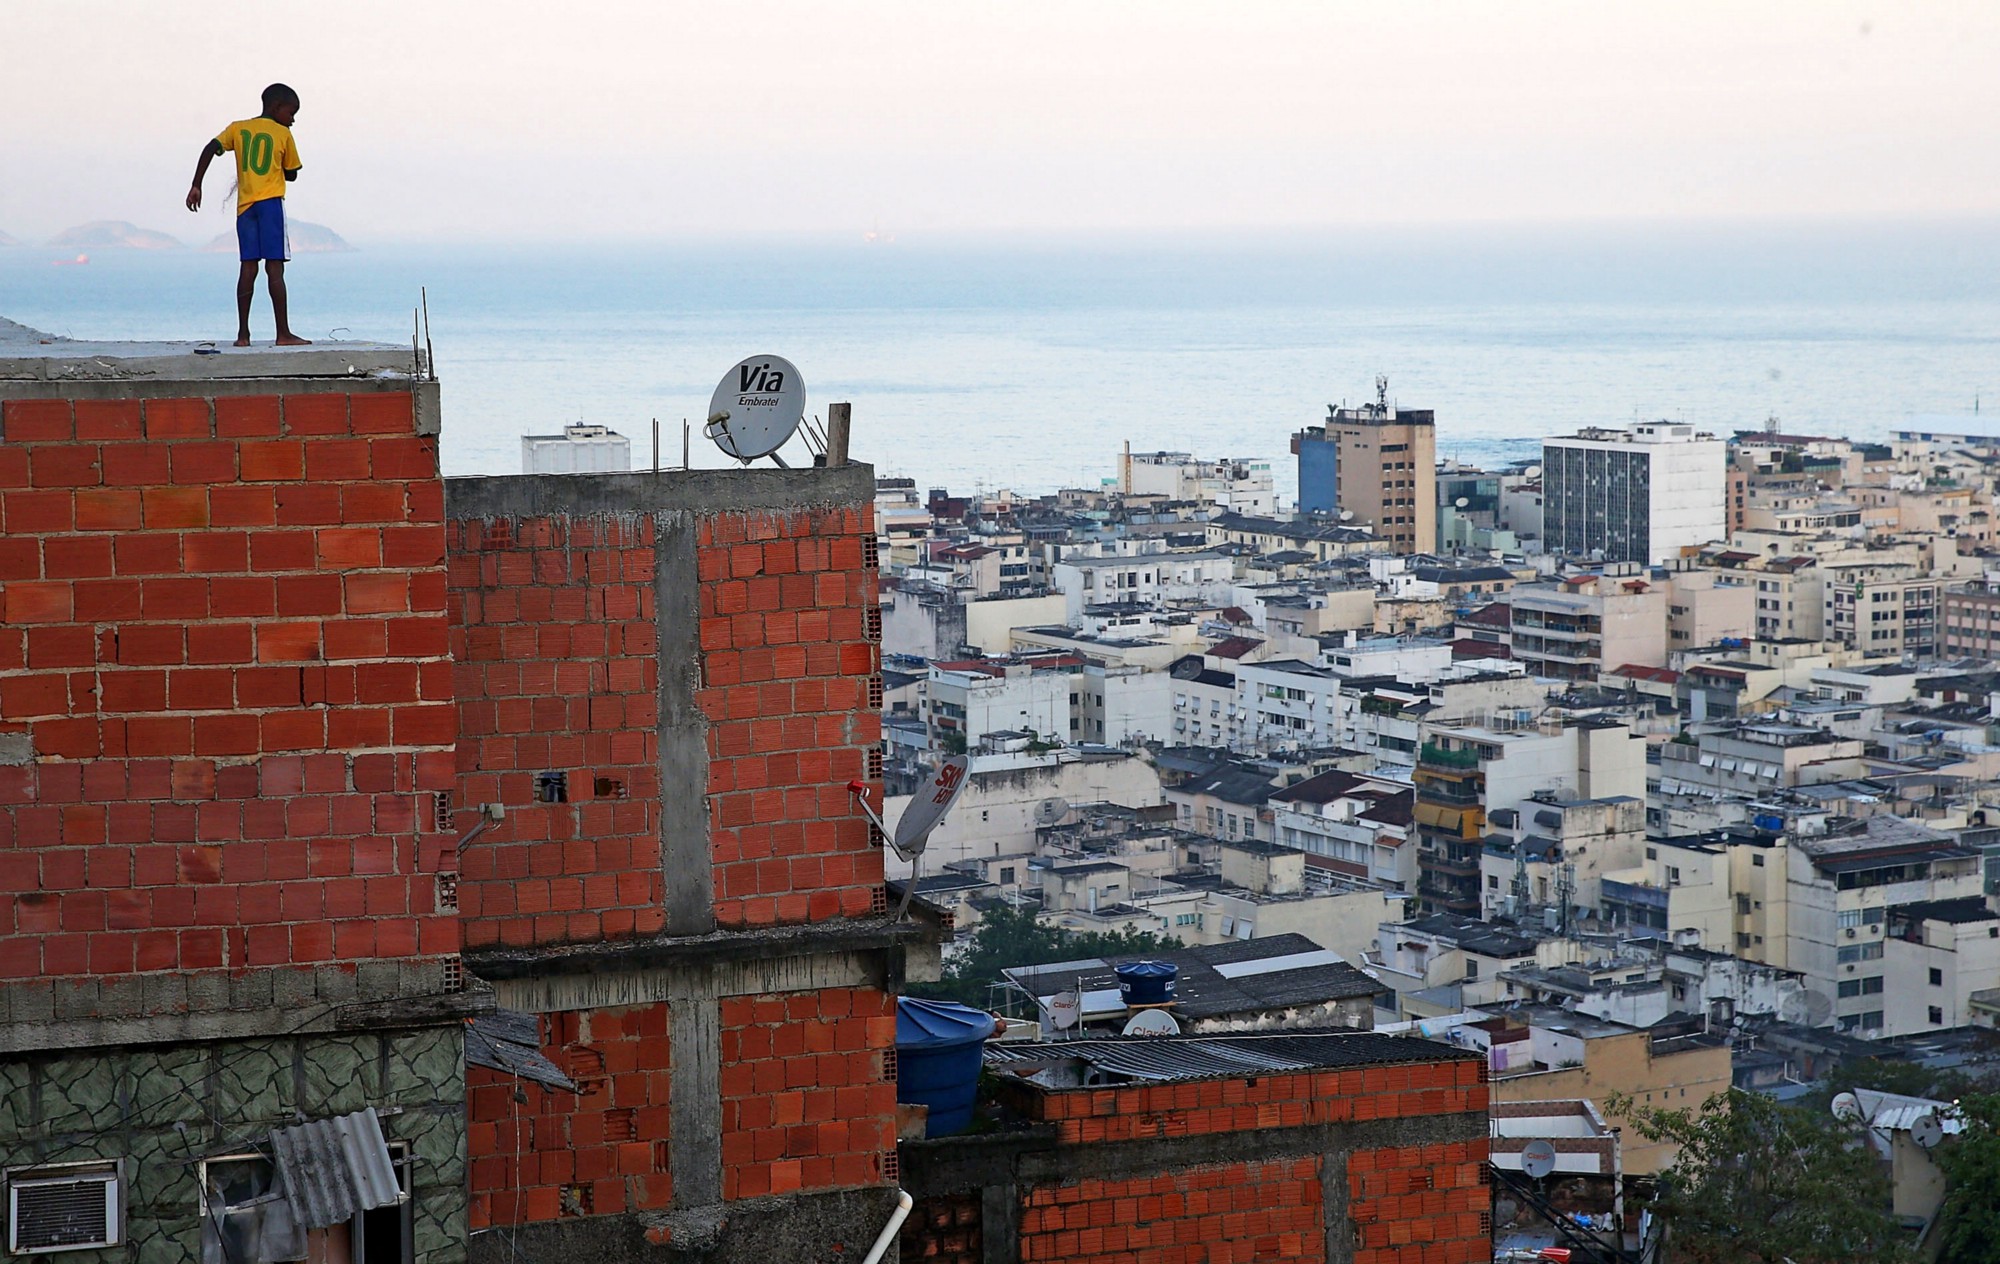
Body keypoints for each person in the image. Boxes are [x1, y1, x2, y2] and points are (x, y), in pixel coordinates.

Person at [187, 84, 311, 347]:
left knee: (248, 267)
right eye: (292, 113)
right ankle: (283, 334)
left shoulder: (238, 128)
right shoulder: (282, 133)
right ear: (277, 108)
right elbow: (292, 173)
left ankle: (243, 335)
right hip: (270, 206)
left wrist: (197, 184)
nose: (293, 120)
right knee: (275, 268)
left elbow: (210, 147)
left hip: (245, 209)